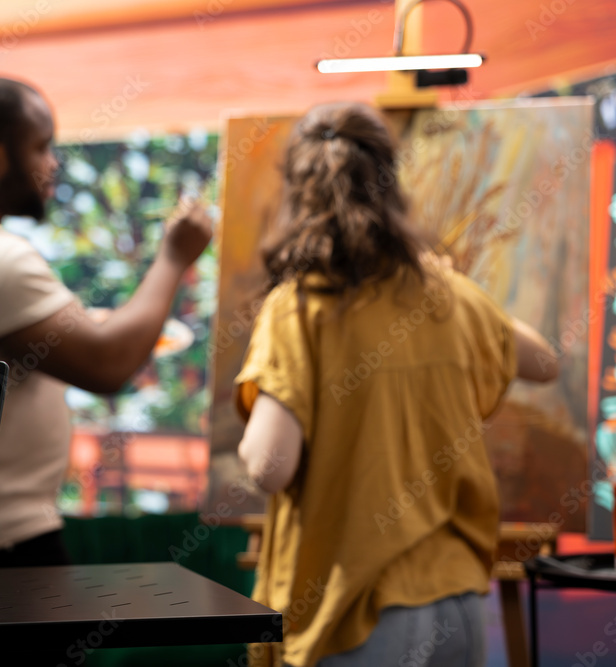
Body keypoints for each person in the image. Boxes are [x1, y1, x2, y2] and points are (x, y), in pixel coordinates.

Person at [234, 102, 558, 667]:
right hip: (455, 603)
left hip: (353, 613)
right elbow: (543, 361)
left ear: (297, 190)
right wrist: (454, 288)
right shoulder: (447, 295)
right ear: (391, 184)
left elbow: (270, 465)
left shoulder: (298, 309)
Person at [0, 75, 211, 568]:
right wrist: (174, 257)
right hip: (0, 544)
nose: (53, 164)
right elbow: (107, 363)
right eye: (42, 147)